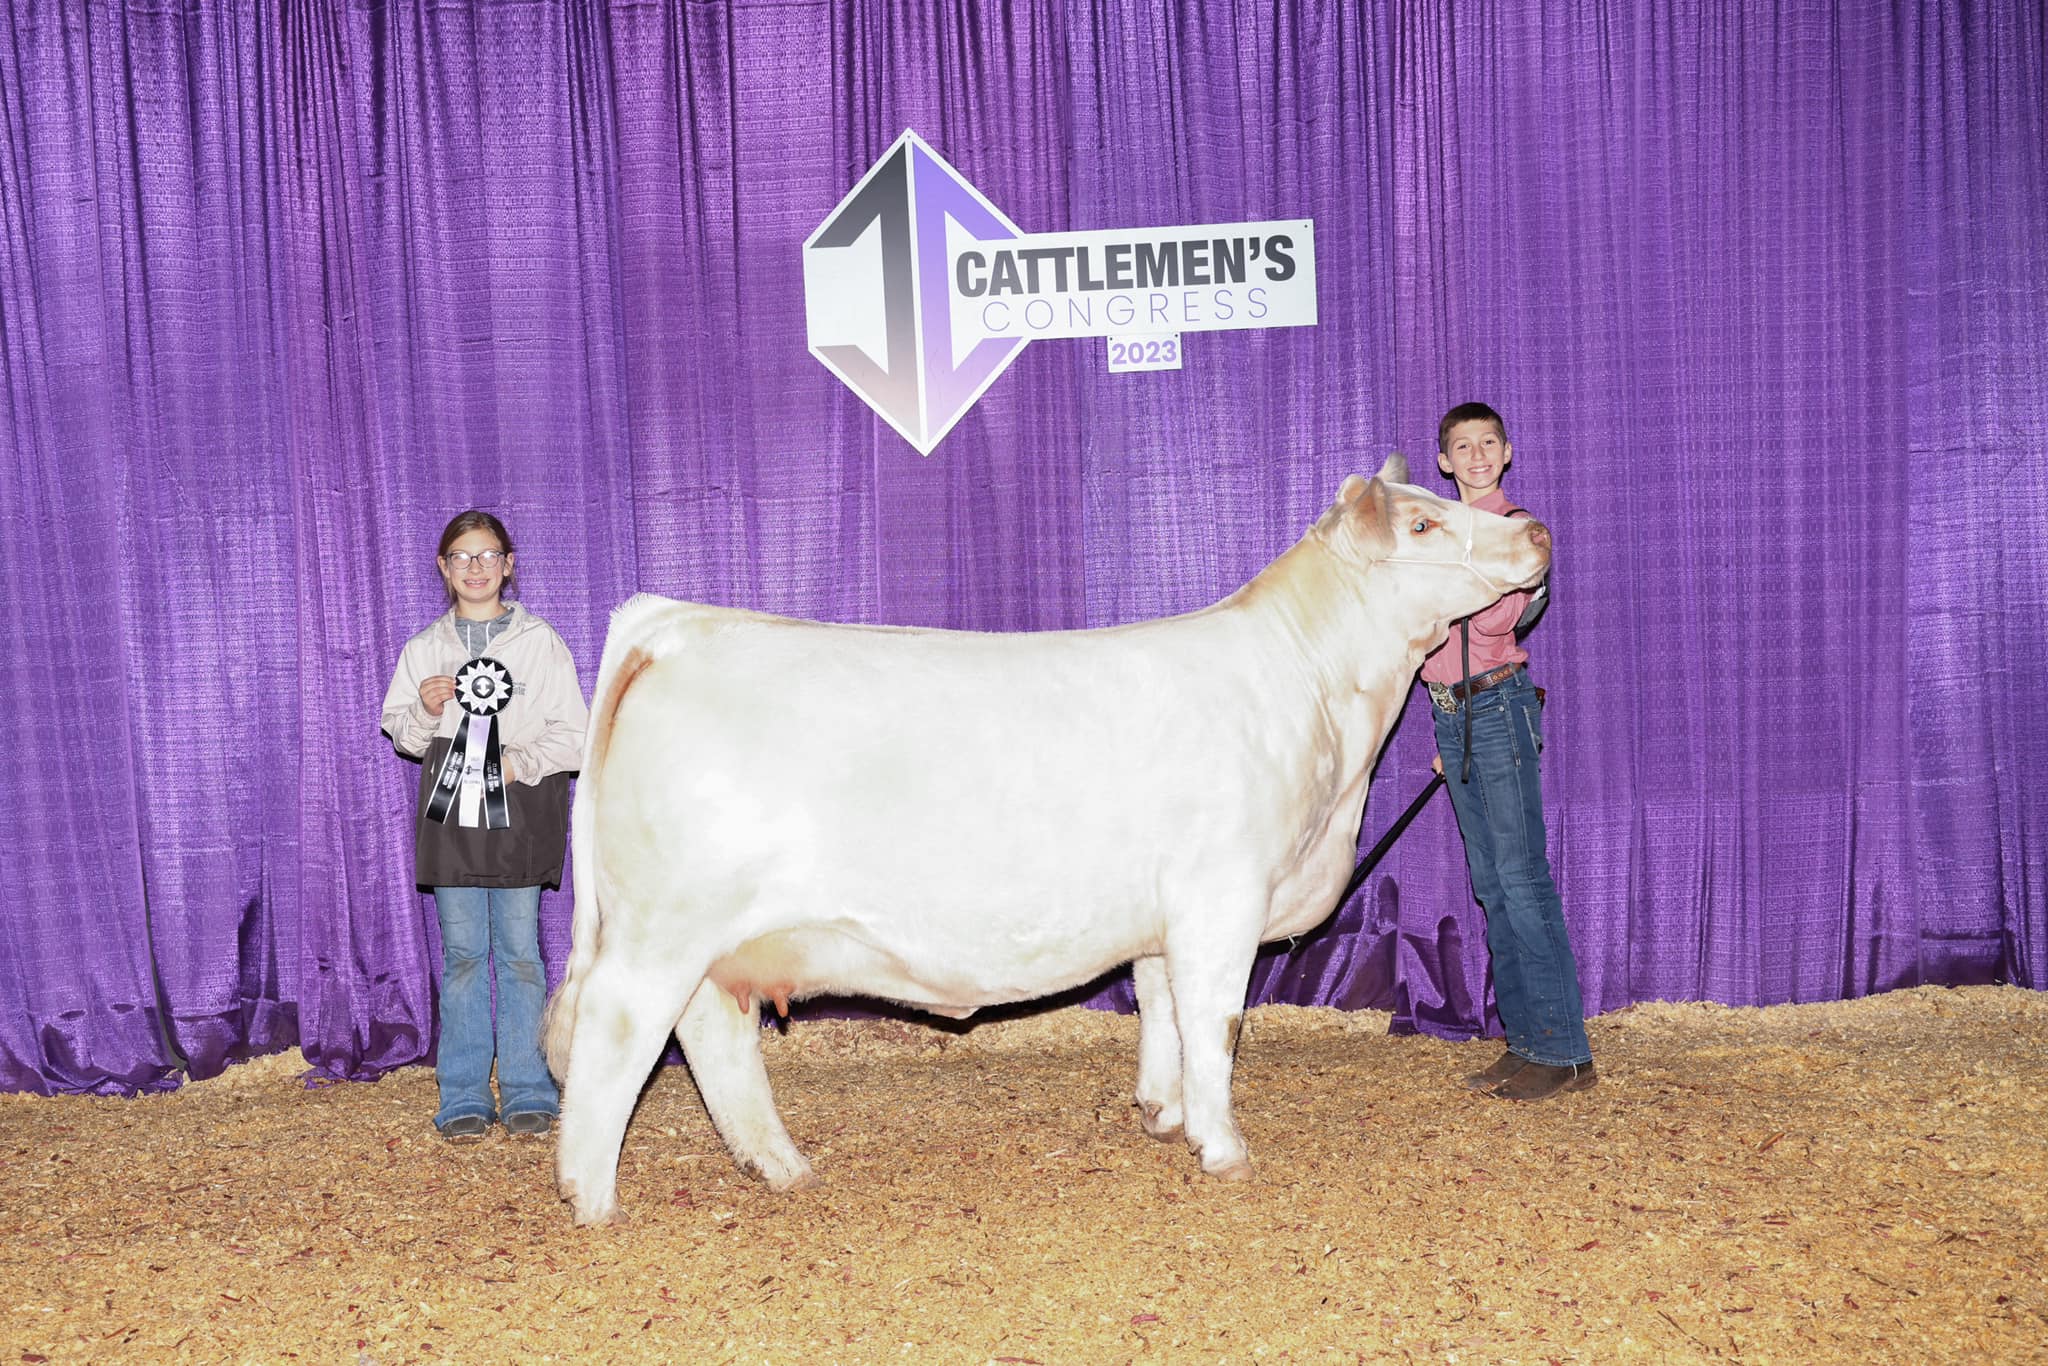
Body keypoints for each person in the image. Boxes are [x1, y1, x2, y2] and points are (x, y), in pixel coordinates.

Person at [381, 511, 589, 1141]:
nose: (476, 567)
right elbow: (404, 737)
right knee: (465, 956)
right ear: (444, 568)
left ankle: (530, 1086)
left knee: (521, 955)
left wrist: (515, 762)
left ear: (509, 564)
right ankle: (464, 1093)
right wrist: (424, 707)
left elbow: (574, 738)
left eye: (488, 554)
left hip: (521, 814)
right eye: (462, 557)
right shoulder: (424, 650)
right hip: (452, 817)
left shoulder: (540, 642)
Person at [1420, 402, 1595, 1102]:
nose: (1476, 456)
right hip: (1452, 715)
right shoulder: (1438, 532)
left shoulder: (1522, 531)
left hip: (1495, 703)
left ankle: (1565, 1052)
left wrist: (1433, 596)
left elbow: (1490, 615)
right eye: (1462, 446)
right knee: (1492, 886)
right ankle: (1526, 1041)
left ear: (1507, 451)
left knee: (1521, 879)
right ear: (1444, 461)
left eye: (1487, 443)